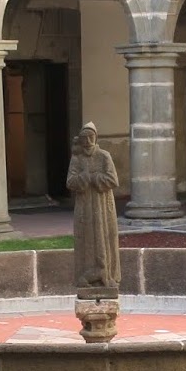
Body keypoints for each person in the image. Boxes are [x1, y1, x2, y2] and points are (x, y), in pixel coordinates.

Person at [66, 121, 119, 298]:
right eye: (84, 138)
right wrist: (83, 177)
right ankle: (87, 273)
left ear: (96, 138)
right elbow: (70, 182)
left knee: (104, 236)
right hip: (85, 208)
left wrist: (94, 177)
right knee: (87, 238)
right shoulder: (77, 159)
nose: (88, 141)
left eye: (91, 137)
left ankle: (106, 273)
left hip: (103, 206)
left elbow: (112, 180)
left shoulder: (104, 156)